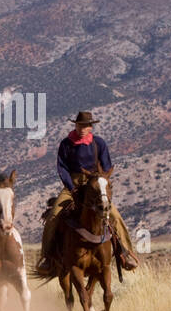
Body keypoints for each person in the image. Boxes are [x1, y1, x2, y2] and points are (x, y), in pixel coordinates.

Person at [35, 110, 139, 275]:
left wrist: (99, 180)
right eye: (79, 125)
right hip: (73, 184)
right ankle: (47, 257)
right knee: (54, 215)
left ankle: (125, 254)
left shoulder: (99, 144)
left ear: (90, 127)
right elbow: (61, 167)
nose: (82, 128)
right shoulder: (66, 144)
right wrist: (71, 186)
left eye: (85, 125)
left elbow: (106, 166)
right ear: (75, 125)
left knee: (115, 216)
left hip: (95, 185)